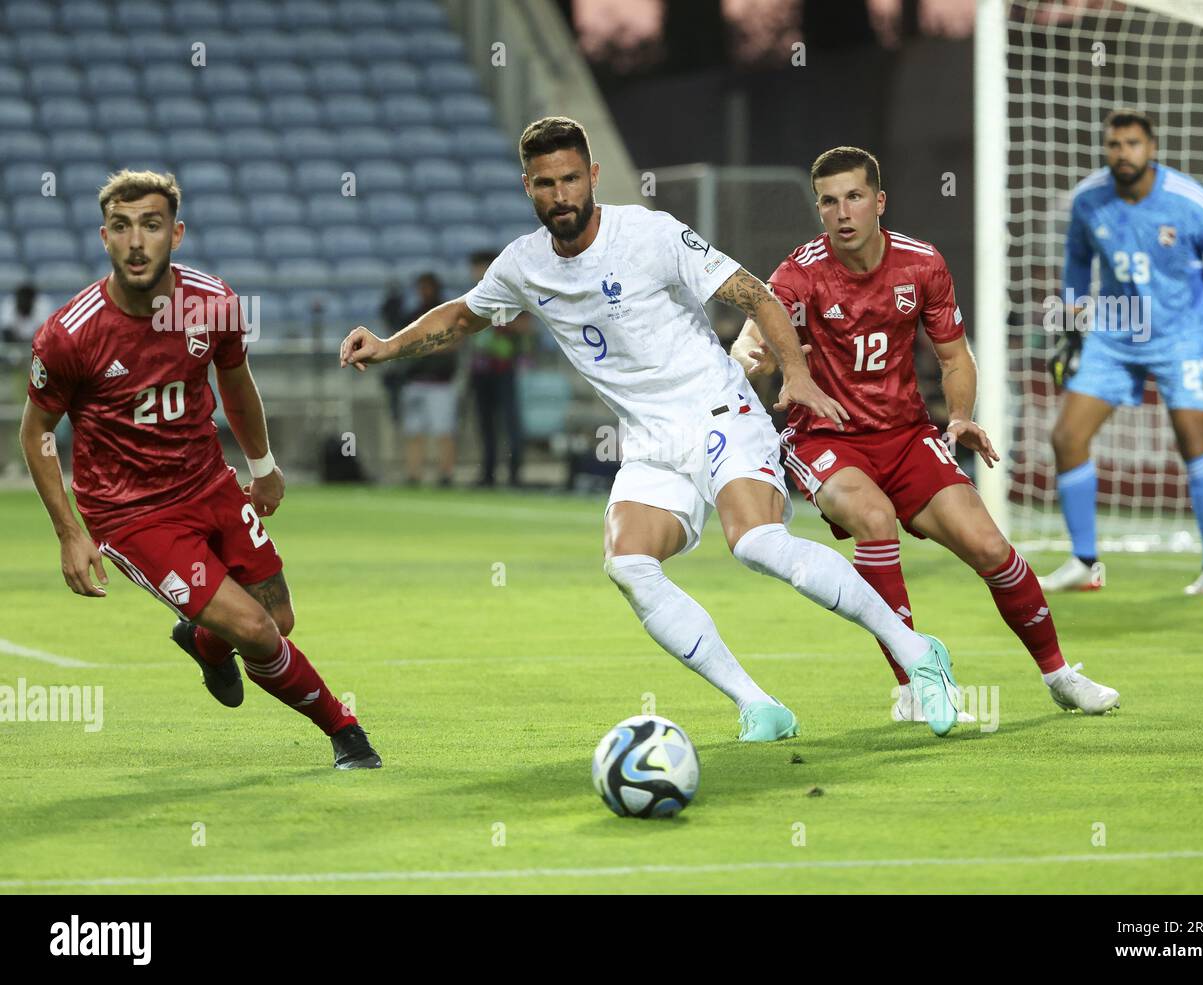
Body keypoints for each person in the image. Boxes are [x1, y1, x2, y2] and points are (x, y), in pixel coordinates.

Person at [341, 116, 964, 739]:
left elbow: (757, 296)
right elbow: (466, 314)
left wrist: (796, 376)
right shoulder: (524, 265)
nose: (560, 196)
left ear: (593, 176)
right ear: (526, 187)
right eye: (544, 184)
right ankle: (757, 704)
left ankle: (915, 652)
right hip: (649, 440)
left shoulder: (650, 234)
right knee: (629, 563)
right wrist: (389, 345)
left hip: (719, 411)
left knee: (755, 544)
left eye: (570, 179)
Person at [734, 146, 1119, 719]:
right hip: (826, 438)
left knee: (992, 549)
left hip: (907, 435)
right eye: (829, 201)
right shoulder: (799, 272)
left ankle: (1060, 675)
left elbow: (955, 358)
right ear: (819, 210)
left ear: (879, 201)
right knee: (873, 519)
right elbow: (751, 335)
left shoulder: (922, 264)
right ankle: (915, 686)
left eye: (855, 197)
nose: (842, 213)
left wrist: (959, 416)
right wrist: (754, 360)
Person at [20, 170, 380, 769]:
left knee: (279, 619)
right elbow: (35, 434)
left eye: (152, 226)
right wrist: (70, 530)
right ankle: (347, 735)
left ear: (177, 234)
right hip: (133, 514)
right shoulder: (69, 335)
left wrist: (262, 466)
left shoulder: (211, 303)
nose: (137, 242)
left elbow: (235, 385)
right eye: (122, 227)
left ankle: (206, 643)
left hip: (210, 482)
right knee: (259, 633)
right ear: (104, 237)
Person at [1043, 109, 1203, 596]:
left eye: (1133, 144)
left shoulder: (1187, 200)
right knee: (1066, 437)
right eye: (1115, 144)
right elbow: (1077, 262)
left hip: (1179, 336)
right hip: (1114, 335)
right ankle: (1084, 562)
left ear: (1152, 148)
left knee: (1193, 439)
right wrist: (1072, 330)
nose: (1123, 153)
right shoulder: (1089, 200)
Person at [467, 250, 528, 487]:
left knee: (509, 421)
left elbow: (524, 325)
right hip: (480, 370)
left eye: (480, 267)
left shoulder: (508, 292)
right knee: (485, 424)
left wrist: (499, 321)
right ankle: (488, 473)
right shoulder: (473, 296)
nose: (475, 273)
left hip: (504, 367)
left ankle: (514, 474)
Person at [399, 272, 460, 486]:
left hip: (440, 383)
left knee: (444, 431)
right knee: (414, 431)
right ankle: (414, 474)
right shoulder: (414, 314)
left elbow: (453, 342)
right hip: (416, 381)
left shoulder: (446, 312)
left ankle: (446, 473)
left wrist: (424, 347)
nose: (423, 292)